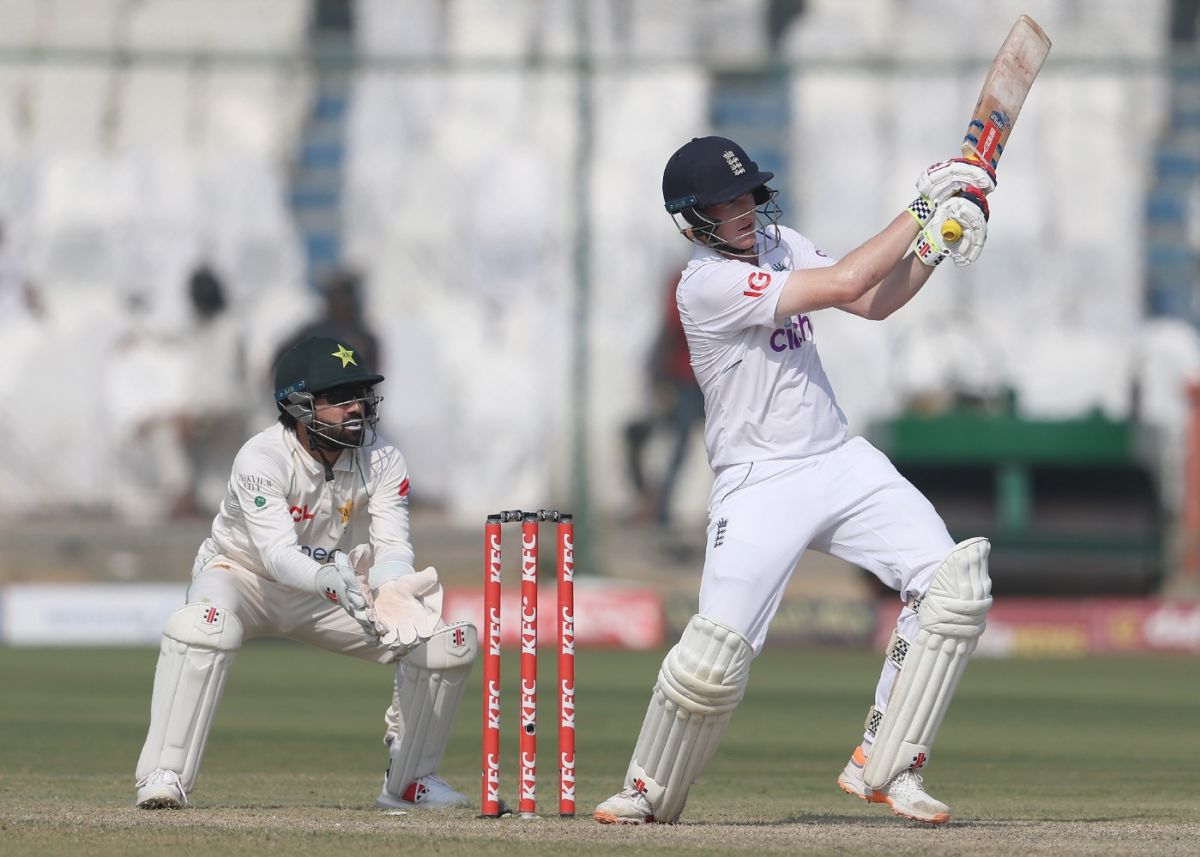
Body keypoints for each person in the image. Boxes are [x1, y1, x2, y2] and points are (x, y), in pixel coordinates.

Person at [593, 136, 995, 827]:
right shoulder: (704, 285)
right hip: (759, 482)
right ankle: (647, 788)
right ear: (692, 219)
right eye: (726, 203)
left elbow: (873, 301)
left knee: (953, 586)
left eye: (747, 194)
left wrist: (935, 243)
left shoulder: (781, 244)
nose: (744, 210)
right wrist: (924, 205)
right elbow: (843, 283)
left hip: (836, 458)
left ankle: (888, 763)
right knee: (713, 657)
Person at [135, 336, 477, 811]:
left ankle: (410, 782)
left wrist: (393, 585)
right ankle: (164, 774)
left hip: (325, 589)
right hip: (241, 576)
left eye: (359, 394)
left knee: (441, 643)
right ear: (298, 406)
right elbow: (276, 554)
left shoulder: (383, 458)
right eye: (339, 397)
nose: (356, 407)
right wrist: (327, 580)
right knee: (204, 627)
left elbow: (393, 545)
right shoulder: (261, 458)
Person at [623, 269, 706, 526]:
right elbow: (673, 325)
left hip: (697, 378)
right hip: (681, 379)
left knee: (683, 443)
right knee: (672, 442)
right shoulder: (684, 280)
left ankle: (662, 505)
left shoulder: (696, 278)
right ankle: (661, 506)